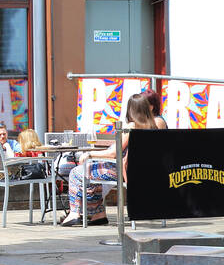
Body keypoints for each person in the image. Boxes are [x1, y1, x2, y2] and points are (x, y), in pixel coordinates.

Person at [62, 93, 156, 226]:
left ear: (130, 110)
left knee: (77, 172)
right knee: (92, 172)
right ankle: (98, 214)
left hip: (121, 172)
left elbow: (113, 153)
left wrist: (89, 155)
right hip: (144, 173)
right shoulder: (154, 128)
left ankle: (74, 213)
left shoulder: (131, 128)